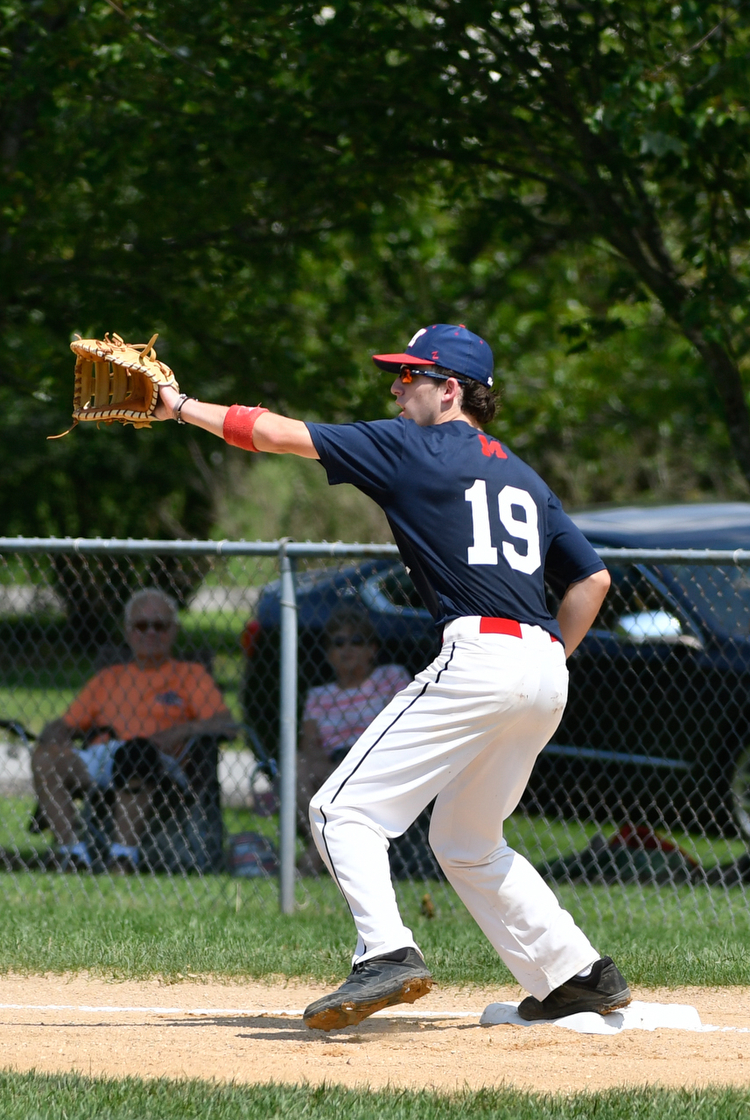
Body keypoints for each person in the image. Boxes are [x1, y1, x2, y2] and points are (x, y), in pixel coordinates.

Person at [155, 323, 625, 1030]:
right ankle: (577, 975)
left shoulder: (411, 445)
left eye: (412, 376)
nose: (397, 387)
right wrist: (548, 659)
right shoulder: (524, 475)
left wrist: (179, 406)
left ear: (451, 390)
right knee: (467, 840)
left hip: (480, 656)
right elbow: (592, 579)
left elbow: (275, 434)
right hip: (539, 666)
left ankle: (387, 953)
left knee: (340, 809)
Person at [32, 588, 238, 872]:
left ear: (174, 630)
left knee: (136, 754)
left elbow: (226, 724)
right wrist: (53, 731)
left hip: (159, 759)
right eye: (142, 625)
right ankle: (74, 854)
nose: (150, 632)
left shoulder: (190, 674)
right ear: (128, 631)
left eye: (160, 626)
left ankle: (123, 856)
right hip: (104, 755)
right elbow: (68, 723)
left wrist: (182, 730)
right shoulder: (108, 678)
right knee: (44, 758)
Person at [297, 606, 411, 875]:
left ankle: (314, 860)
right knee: (296, 767)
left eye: (357, 641)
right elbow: (309, 745)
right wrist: (329, 769)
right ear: (328, 654)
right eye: (338, 642)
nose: (347, 648)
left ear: (372, 649)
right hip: (333, 765)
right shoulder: (318, 696)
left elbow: (406, 724)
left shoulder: (391, 677)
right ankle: (330, 851)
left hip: (379, 760)